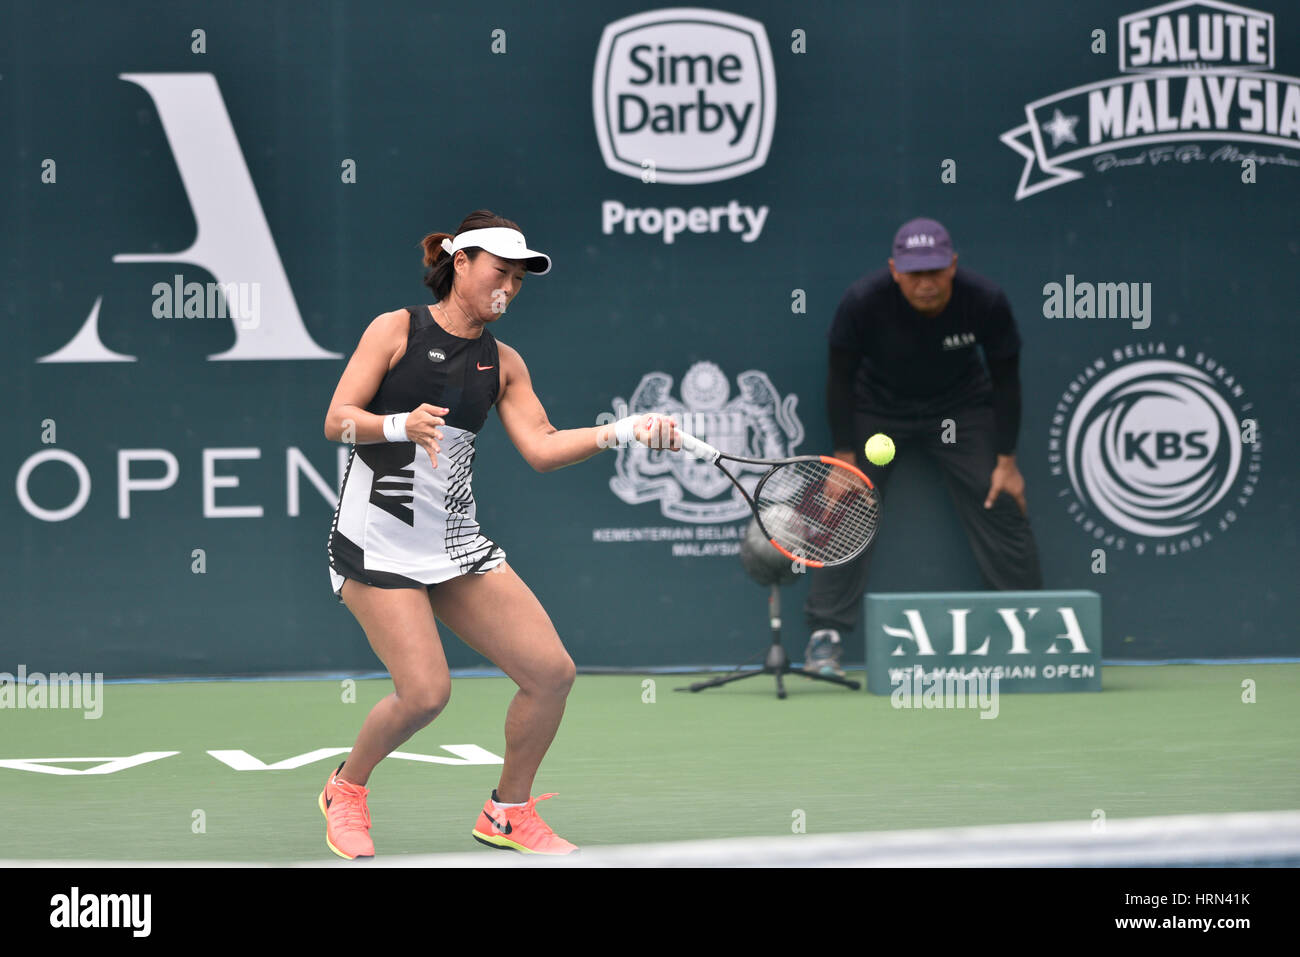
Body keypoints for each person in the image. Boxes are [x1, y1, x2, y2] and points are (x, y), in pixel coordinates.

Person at [321, 209, 681, 858]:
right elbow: (337, 420)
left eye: (518, 279)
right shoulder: (396, 330)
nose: (508, 288)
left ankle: (507, 812)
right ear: (460, 264)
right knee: (426, 693)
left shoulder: (503, 363)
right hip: (378, 544)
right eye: (499, 272)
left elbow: (541, 447)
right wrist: (400, 425)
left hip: (455, 545)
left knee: (550, 672)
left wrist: (622, 430)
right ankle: (346, 788)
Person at [803, 217, 1043, 675]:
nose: (925, 283)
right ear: (895, 270)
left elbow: (1007, 381)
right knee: (846, 505)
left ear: (953, 266)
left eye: (934, 271)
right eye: (914, 273)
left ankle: (1027, 628)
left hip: (961, 411)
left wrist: (1007, 461)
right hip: (879, 414)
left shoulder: (985, 302)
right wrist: (844, 456)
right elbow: (839, 379)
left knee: (1000, 497)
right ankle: (826, 634)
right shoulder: (862, 303)